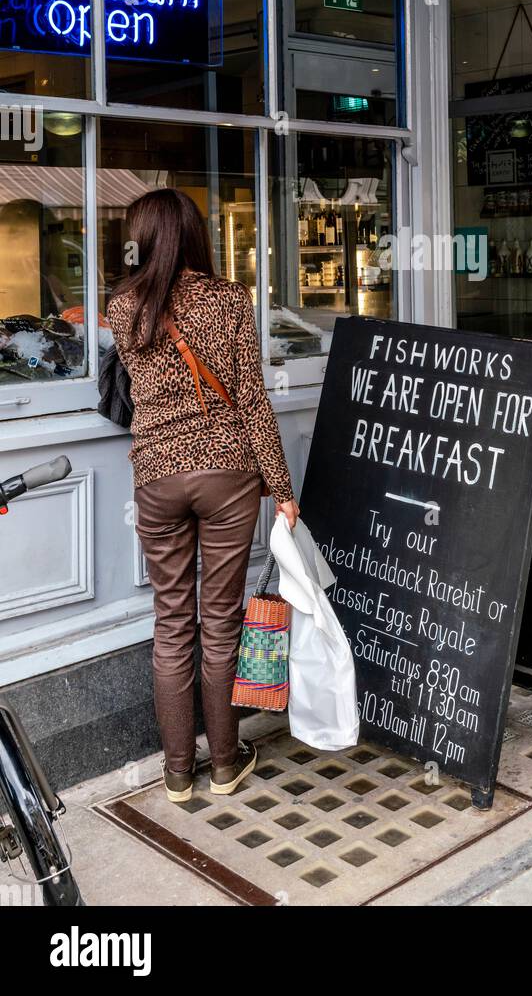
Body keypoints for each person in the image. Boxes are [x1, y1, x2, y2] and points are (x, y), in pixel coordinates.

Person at [107, 188, 299, 804]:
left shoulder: (122, 307)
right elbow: (252, 402)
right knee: (219, 624)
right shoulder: (228, 299)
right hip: (226, 476)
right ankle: (223, 763)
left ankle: (176, 775)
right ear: (193, 233)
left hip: (156, 480)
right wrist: (283, 489)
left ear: (142, 238)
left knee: (171, 627)